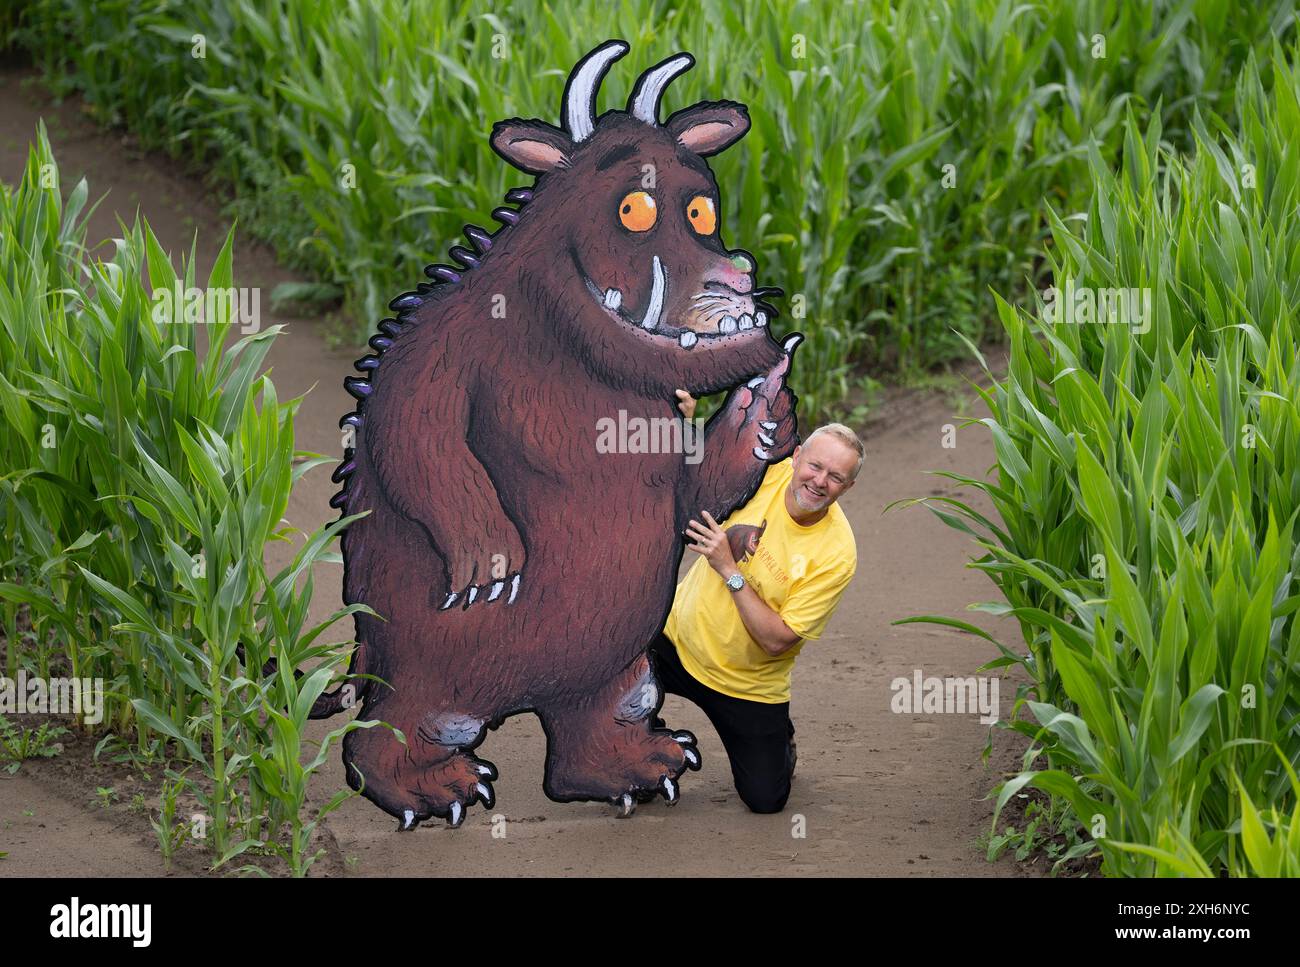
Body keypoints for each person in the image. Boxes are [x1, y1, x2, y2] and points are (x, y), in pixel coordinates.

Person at [651, 390, 861, 813]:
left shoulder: (837, 554)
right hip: (676, 641)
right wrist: (685, 424)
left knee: (765, 800)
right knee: (608, 675)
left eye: (836, 477)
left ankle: (779, 739)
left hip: (746, 685)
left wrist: (729, 569)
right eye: (816, 466)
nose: (820, 481)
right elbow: (696, 473)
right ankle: (642, 743)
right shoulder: (764, 470)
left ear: (848, 486)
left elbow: (777, 641)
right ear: (798, 456)